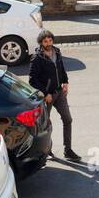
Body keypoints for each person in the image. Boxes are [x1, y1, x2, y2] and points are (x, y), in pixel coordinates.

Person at [28, 29, 79, 162]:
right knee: (46, 125)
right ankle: (47, 151)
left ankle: (68, 150)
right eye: (45, 41)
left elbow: (61, 68)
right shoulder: (37, 58)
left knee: (67, 119)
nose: (48, 43)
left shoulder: (56, 51)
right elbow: (33, 80)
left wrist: (65, 82)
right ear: (41, 43)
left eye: (50, 40)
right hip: (47, 96)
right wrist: (45, 94)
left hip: (59, 92)